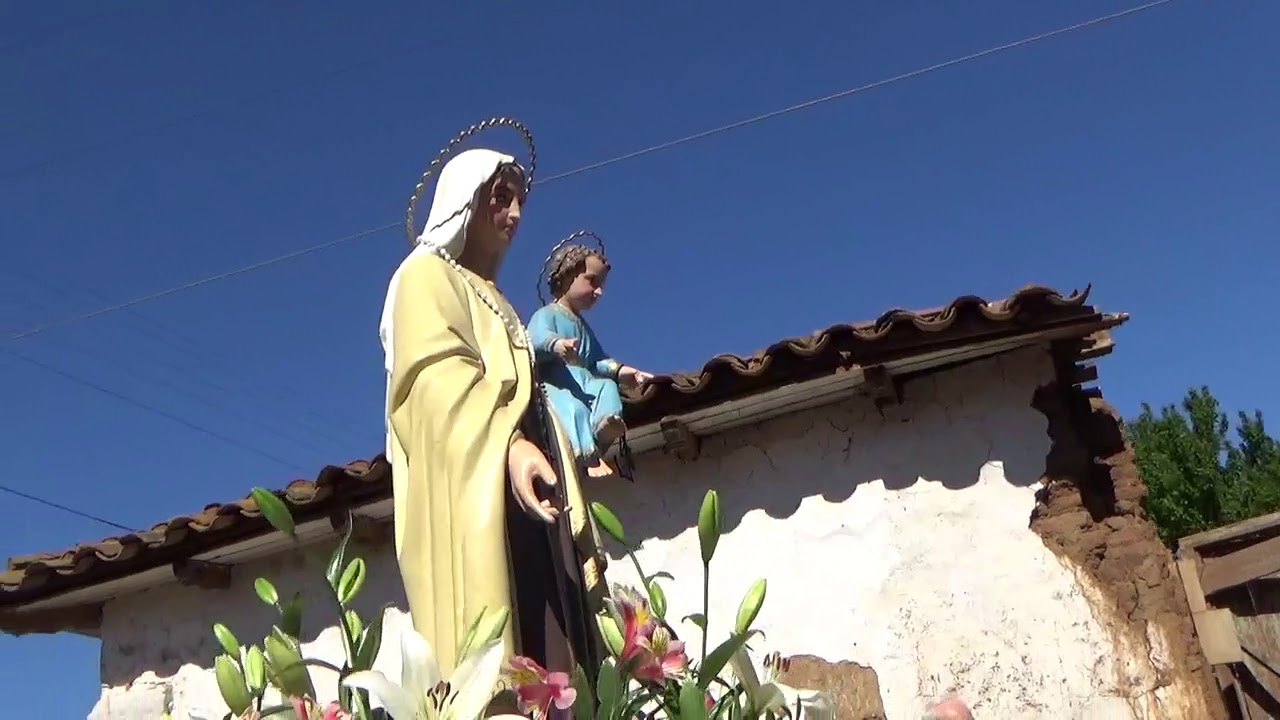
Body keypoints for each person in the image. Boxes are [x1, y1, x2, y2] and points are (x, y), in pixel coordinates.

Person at [379, 136, 606, 681]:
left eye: (520, 200)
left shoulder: (498, 301)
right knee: (514, 651)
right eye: (501, 197)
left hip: (537, 491)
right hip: (484, 485)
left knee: (563, 654)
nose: (515, 213)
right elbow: (432, 384)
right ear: (465, 200)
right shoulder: (425, 276)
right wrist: (509, 444)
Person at [528, 237, 654, 478]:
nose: (598, 292)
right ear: (567, 276)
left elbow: (597, 360)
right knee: (574, 409)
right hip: (559, 383)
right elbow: (534, 339)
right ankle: (584, 453)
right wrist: (556, 344)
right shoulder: (547, 314)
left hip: (584, 381)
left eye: (601, 285)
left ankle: (605, 424)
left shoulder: (583, 328)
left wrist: (621, 372)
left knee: (607, 387)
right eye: (592, 281)